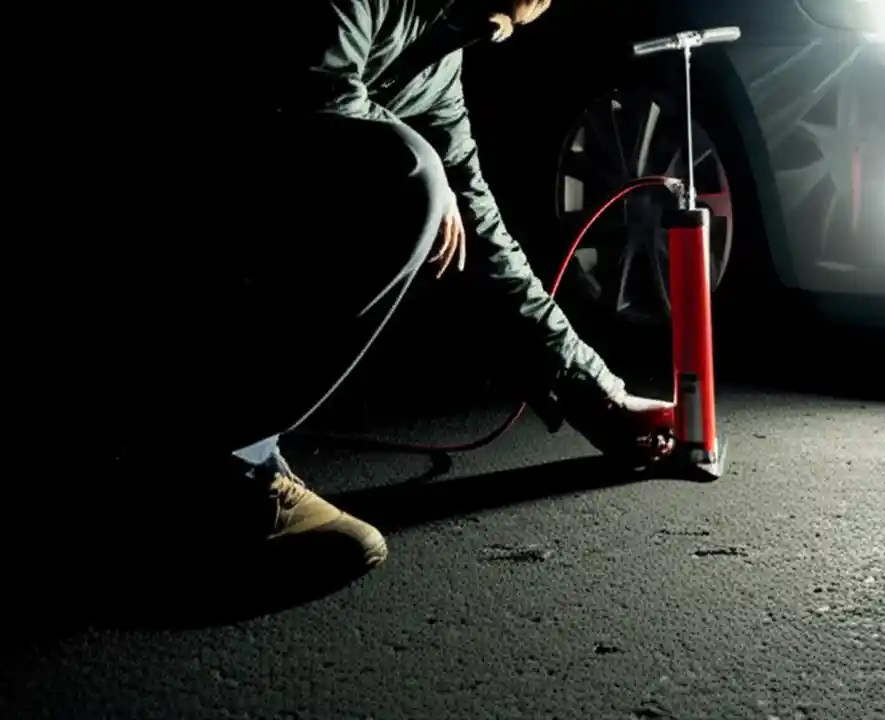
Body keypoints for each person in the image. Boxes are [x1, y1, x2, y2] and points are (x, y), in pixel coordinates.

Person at [103, 0, 674, 575]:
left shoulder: (441, 60)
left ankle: (212, 449)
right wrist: (421, 165)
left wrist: (599, 395)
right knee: (409, 174)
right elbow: (309, 92)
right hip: (173, 200)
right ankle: (198, 461)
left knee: (431, 181)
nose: (524, 19)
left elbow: (485, 235)